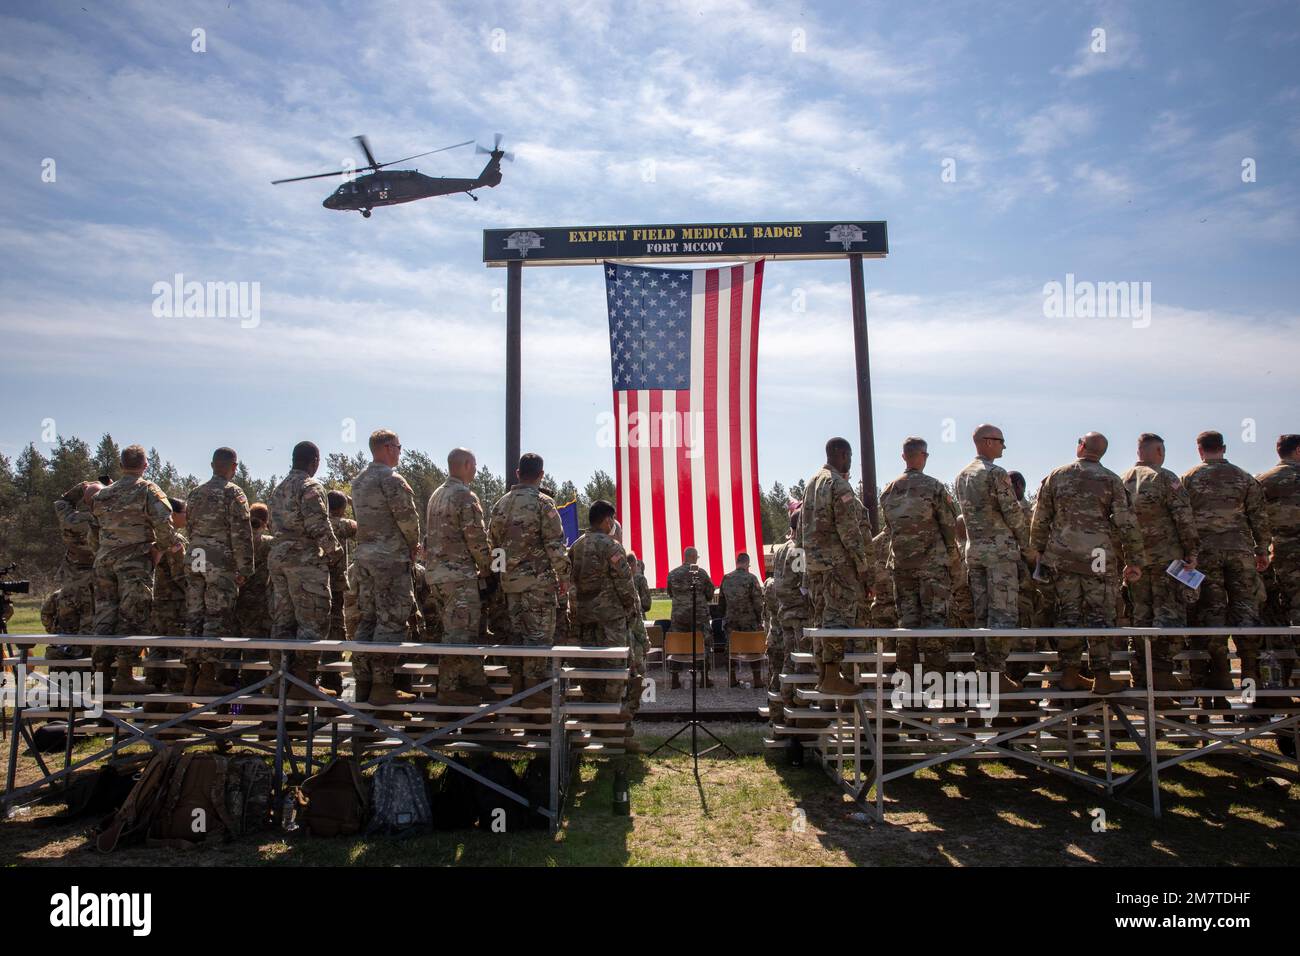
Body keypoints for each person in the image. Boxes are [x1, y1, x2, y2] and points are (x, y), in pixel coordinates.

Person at [1030, 432, 1145, 694]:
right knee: (1099, 614)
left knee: (1068, 614)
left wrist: (1037, 550)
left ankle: (1069, 672)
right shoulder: (1111, 480)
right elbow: (1126, 522)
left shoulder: (1057, 476)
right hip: (1098, 557)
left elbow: (1041, 518)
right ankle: (1102, 676)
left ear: (1081, 446)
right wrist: (1134, 560)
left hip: (1063, 556)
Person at [1182, 430, 1272, 689]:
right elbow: (1259, 517)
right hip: (1241, 553)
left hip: (1205, 555)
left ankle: (1220, 677)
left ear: (1199, 450)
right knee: (1246, 611)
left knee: (1213, 611)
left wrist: (1189, 553)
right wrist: (1262, 550)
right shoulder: (1243, 478)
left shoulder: (1189, 478)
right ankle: (1250, 679)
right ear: (1224, 447)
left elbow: (1183, 519)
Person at [90, 444, 182, 695]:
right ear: (145, 465)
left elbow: (94, 531)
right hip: (133, 561)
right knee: (134, 615)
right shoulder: (147, 489)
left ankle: (100, 676)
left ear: (121, 466)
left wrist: (103, 551)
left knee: (104, 616)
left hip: (104, 561)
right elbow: (164, 522)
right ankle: (124, 675)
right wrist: (161, 549)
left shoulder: (102, 495)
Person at [954, 424, 1034, 695]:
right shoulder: (996, 473)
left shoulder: (962, 475)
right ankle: (996, 673)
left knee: (982, 613)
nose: (1003, 446)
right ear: (987, 442)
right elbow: (1013, 513)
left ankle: (984, 671)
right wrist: (1028, 547)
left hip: (975, 552)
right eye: (1000, 441)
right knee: (1002, 613)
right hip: (999, 554)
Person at [488, 452, 571, 713]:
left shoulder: (501, 505)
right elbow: (555, 547)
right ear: (541, 474)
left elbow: (493, 545)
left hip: (510, 586)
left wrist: (500, 576)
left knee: (517, 637)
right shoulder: (544, 504)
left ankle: (520, 692)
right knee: (538, 640)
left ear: (517, 473)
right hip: (538, 586)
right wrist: (565, 578)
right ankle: (535, 696)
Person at [1121, 433, 1200, 691]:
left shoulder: (1121, 481)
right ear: (1158, 452)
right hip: (1166, 561)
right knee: (1168, 616)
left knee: (1140, 617)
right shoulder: (1165, 478)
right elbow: (1183, 518)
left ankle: (1141, 675)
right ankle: (1162, 673)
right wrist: (1192, 550)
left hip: (1135, 563)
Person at [350, 429, 422, 708]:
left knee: (368, 620)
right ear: (389, 447)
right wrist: (413, 546)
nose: (400, 452)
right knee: (391, 621)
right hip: (390, 561)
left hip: (365, 560)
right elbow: (407, 520)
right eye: (399, 447)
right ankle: (382, 685)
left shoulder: (359, 482)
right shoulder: (391, 479)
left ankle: (364, 685)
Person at [799, 437, 875, 696]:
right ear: (842, 454)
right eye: (850, 456)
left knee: (821, 618)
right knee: (836, 618)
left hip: (816, 565)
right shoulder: (837, 484)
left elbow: (800, 530)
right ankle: (832, 675)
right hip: (837, 565)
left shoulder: (811, 483)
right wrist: (863, 569)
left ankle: (823, 675)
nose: (850, 460)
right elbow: (850, 531)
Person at [880, 437, 961, 677]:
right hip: (932, 569)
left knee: (907, 628)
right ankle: (940, 689)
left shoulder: (888, 491)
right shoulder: (933, 487)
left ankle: (910, 695)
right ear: (923, 456)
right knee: (935, 625)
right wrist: (954, 558)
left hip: (902, 568)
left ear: (904, 456)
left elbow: (890, 529)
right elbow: (948, 526)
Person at [268, 441, 342, 699]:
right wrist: (334, 551)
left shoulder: (278, 489)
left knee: (284, 621)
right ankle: (304, 682)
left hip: (279, 557)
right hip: (304, 560)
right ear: (315, 461)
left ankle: (279, 680)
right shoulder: (310, 486)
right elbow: (318, 524)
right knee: (312, 619)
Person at [568, 499, 641, 748]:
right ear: (607, 520)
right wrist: (631, 609)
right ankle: (609, 722)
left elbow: (570, 581)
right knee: (613, 668)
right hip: (611, 619)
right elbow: (625, 583)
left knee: (589, 667)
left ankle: (590, 715)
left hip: (584, 619)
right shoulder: (612, 546)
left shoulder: (576, 546)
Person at [424, 447, 494, 705]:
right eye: (474, 465)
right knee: (461, 635)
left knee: (453, 630)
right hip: (459, 577)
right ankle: (449, 689)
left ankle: (473, 682)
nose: (476, 470)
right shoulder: (464, 495)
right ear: (465, 464)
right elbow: (476, 538)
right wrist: (488, 569)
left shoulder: (437, 495)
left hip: (437, 576)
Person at [184, 447, 254, 695]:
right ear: (234, 467)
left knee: (195, 614)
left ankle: (190, 676)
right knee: (216, 615)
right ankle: (206, 676)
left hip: (195, 557)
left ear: (212, 465)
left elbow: (190, 527)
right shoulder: (233, 493)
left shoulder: (195, 494)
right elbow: (241, 533)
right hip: (218, 560)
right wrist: (245, 568)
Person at [1256, 434, 1300, 681]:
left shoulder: (1263, 481)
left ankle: (1278, 688)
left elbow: (1252, 520)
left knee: (1275, 619)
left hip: (1275, 559)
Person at [769, 509, 813, 719]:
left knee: (788, 659)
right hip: (799, 614)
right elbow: (804, 585)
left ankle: (781, 707)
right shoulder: (798, 550)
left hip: (784, 612)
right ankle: (799, 709)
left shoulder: (781, 549)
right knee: (803, 662)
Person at [145, 498, 189, 692]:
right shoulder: (174, 541)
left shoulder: (151, 538)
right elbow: (180, 575)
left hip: (158, 605)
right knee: (175, 652)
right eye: (184, 512)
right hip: (176, 607)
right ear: (173, 515)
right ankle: (175, 702)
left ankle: (151, 701)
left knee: (156, 651)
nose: (187, 516)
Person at [665, 547, 715, 689]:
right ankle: (704, 678)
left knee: (677, 644)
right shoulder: (702, 574)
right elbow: (710, 594)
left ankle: (675, 678)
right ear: (694, 557)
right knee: (703, 643)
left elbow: (670, 593)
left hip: (679, 616)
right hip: (699, 616)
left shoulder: (673, 574)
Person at [719, 552, 765, 685]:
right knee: (754, 647)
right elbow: (758, 602)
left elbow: (721, 602)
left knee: (729, 647)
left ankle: (731, 678)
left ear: (737, 562)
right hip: (749, 620)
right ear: (747, 564)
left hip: (731, 620)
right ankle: (757, 679)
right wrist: (759, 618)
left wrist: (723, 615)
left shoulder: (726, 578)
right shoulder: (751, 578)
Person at [234, 502, 274, 639]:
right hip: (260, 600)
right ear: (266, 522)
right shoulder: (269, 543)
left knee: (232, 642)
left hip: (235, 597)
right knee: (256, 644)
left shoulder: (235, 540)